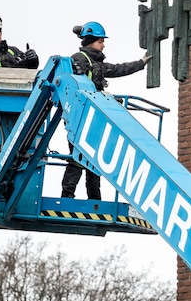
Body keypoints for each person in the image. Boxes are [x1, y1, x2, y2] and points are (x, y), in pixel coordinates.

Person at [60, 21, 150, 199]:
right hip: (79, 117)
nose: (103, 45)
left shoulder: (97, 64)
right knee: (78, 156)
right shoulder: (77, 60)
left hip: (92, 117)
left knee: (94, 157)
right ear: (90, 41)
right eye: (100, 41)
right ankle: (67, 194)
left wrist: (140, 63)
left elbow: (118, 69)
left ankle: (94, 197)